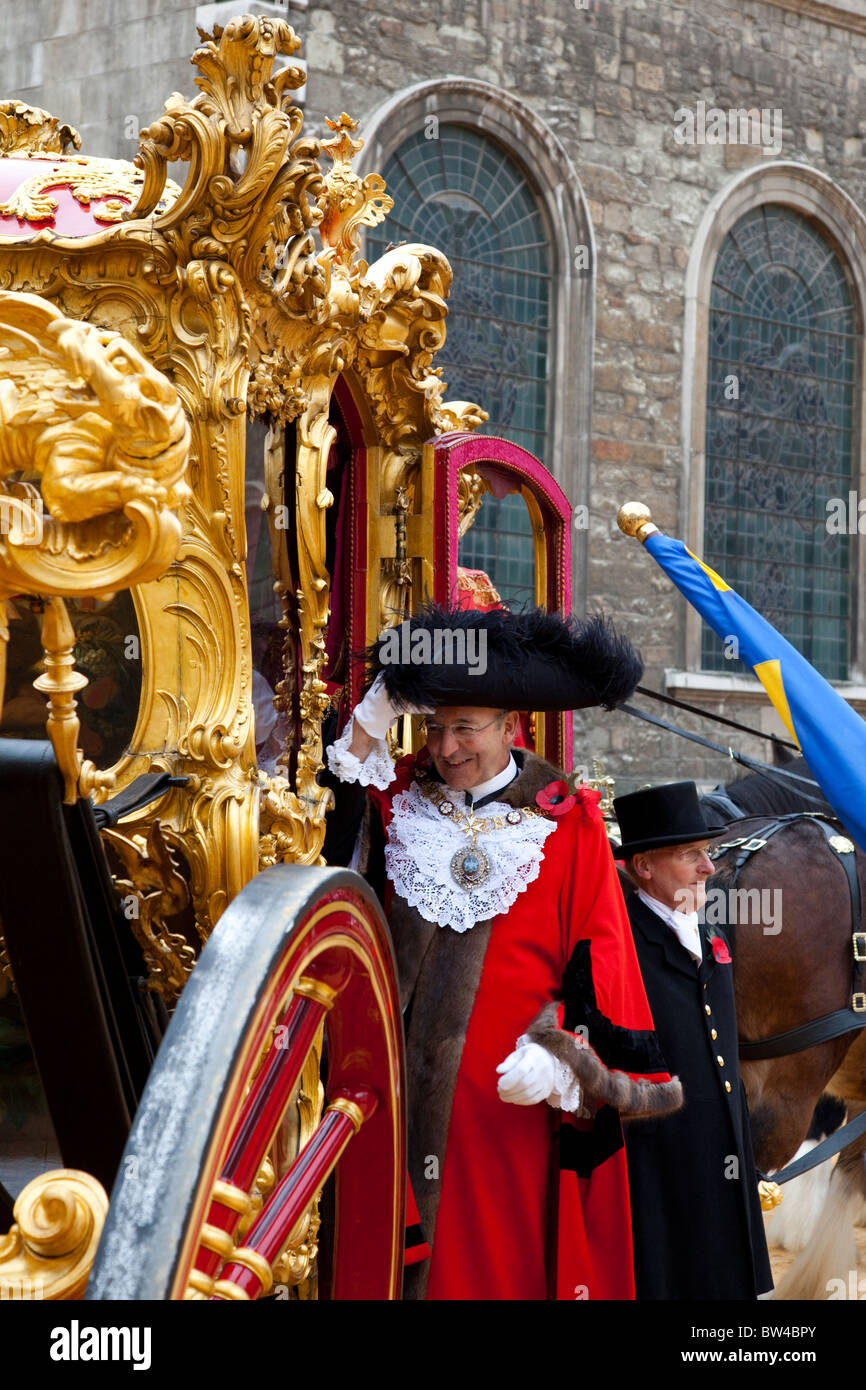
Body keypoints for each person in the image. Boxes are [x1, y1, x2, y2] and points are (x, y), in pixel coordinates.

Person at [322, 603, 682, 1301]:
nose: (447, 747)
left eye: (465, 728)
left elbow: (601, 964)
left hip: (507, 1107)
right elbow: (330, 829)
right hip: (390, 1095)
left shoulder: (564, 820)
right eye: (433, 726)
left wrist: (563, 1055)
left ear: (510, 727)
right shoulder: (399, 796)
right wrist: (370, 719)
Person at [613, 781, 773, 1300]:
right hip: (660, 1166)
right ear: (644, 867)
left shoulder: (712, 939)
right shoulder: (621, 945)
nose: (709, 868)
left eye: (707, 854)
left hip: (721, 1148)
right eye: (691, 855)